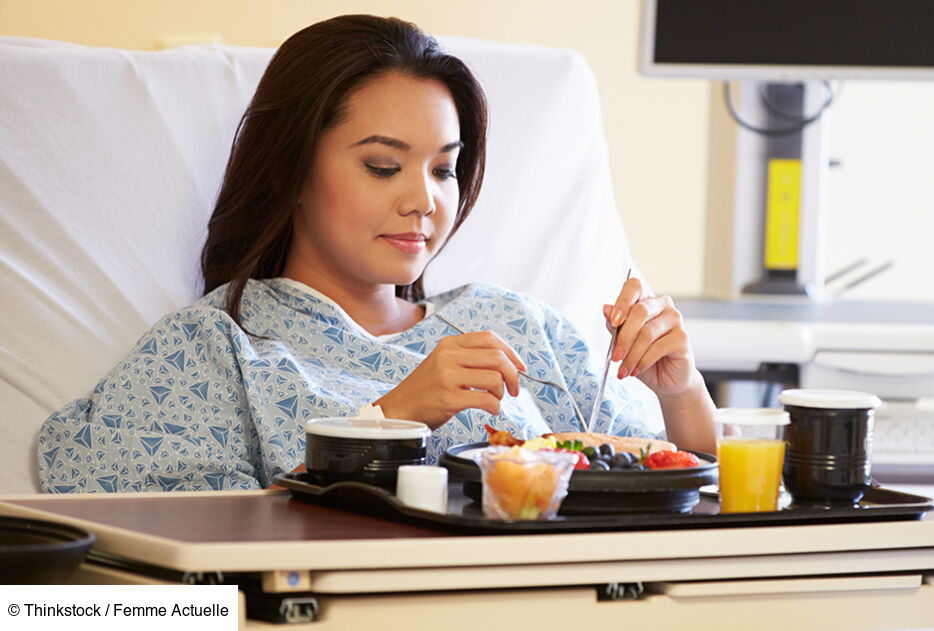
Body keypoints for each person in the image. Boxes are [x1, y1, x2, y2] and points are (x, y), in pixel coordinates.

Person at [36, 14, 717, 493]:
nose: (425, 201)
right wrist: (384, 423)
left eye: (444, 170)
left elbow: (682, 488)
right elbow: (169, 563)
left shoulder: (517, 325)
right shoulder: (218, 349)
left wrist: (681, 389)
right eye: (384, 166)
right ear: (290, 171)